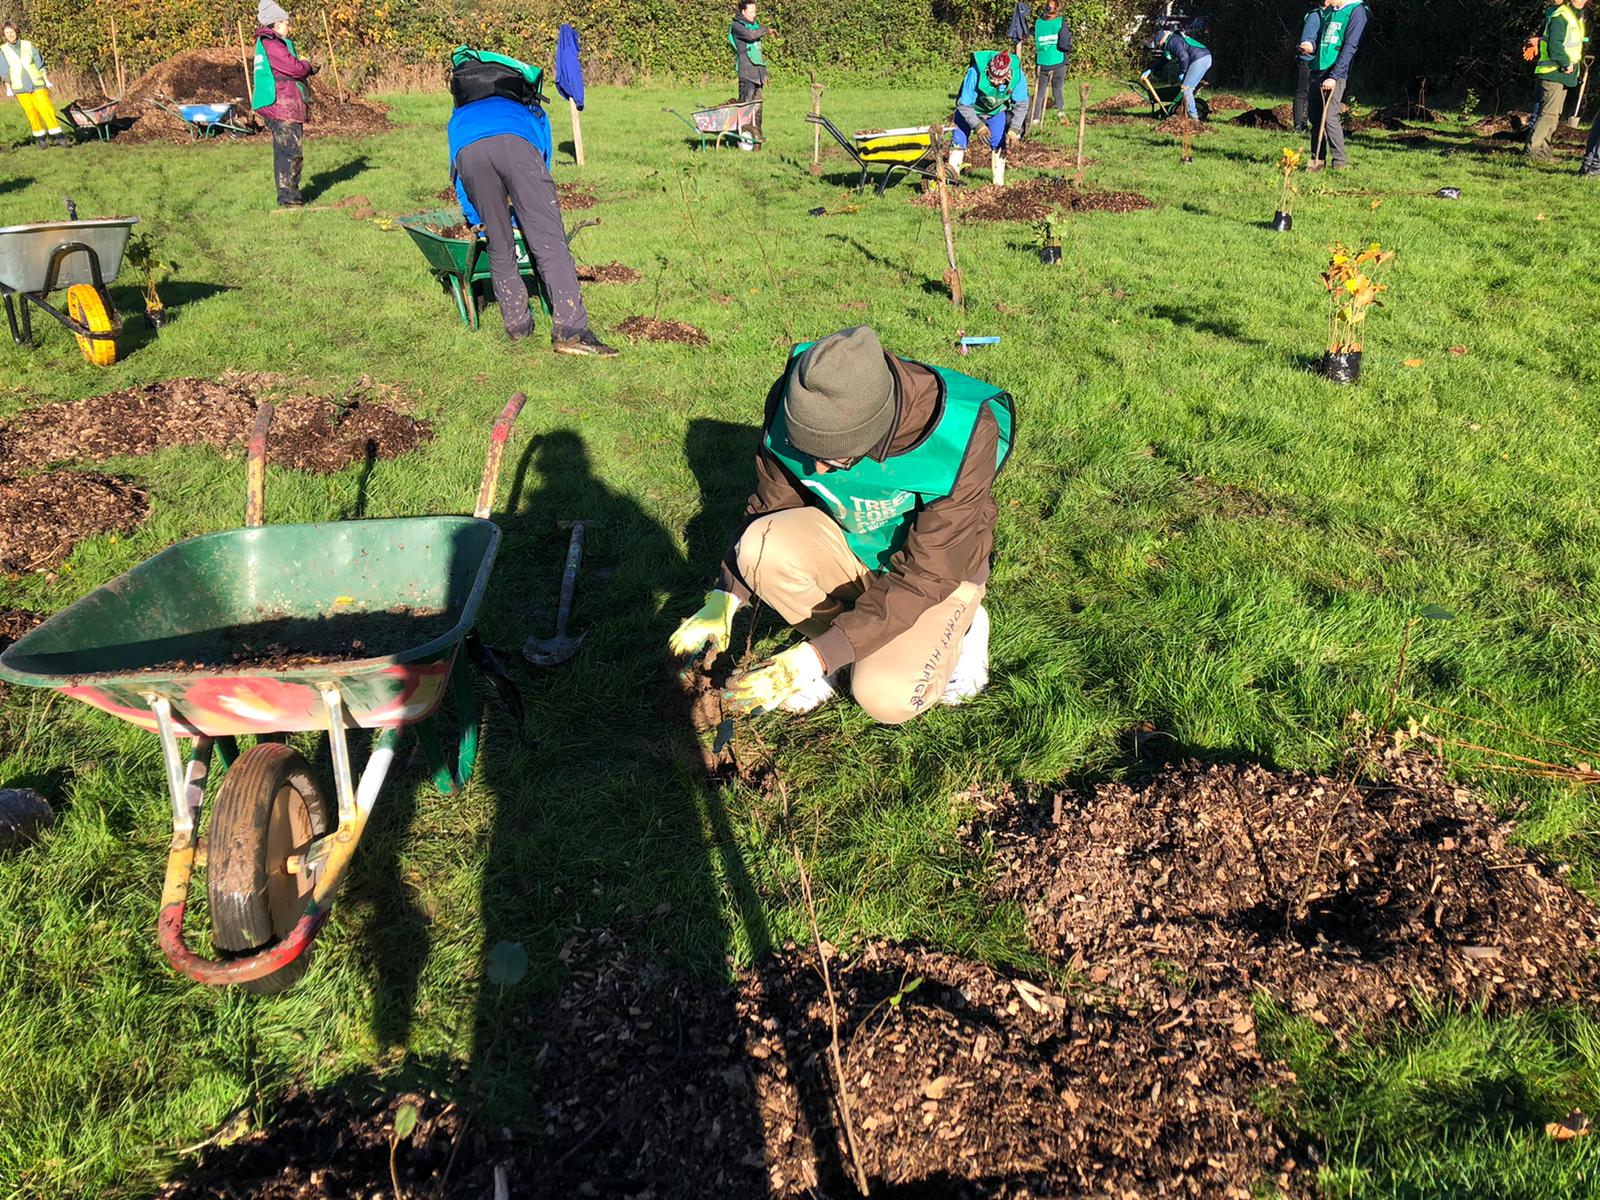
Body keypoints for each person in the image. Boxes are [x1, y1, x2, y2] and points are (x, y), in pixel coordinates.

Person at [669, 326, 1015, 725]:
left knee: (884, 695)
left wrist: (814, 658)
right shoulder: (799, 398)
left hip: (935, 579)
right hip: (853, 549)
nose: (816, 470)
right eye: (808, 453)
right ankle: (842, 647)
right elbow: (772, 504)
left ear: (875, 432)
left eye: (832, 462)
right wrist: (727, 594)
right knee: (758, 547)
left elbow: (926, 574)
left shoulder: (963, 434)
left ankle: (966, 628)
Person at [448, 46, 617, 356]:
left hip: (470, 156)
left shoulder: (459, 116)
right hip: (519, 148)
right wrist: (530, 214)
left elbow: (458, 176)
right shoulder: (529, 108)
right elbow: (543, 160)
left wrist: (478, 220)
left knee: (498, 243)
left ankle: (517, 329)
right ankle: (571, 332)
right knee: (549, 241)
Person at [251, 1, 316, 207]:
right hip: (281, 105)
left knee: (285, 152)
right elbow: (294, 68)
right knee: (290, 153)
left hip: (279, 104)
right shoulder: (272, 43)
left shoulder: (269, 42)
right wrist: (309, 66)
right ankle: (290, 200)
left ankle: (288, 198)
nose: (289, 27)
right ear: (277, 24)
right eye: (287, 23)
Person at [949, 51, 1028, 186]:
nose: (995, 82)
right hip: (971, 108)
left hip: (995, 110)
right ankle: (950, 179)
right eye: (992, 78)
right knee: (959, 139)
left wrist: (1014, 129)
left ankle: (998, 184)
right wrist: (978, 126)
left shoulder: (1017, 76)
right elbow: (963, 104)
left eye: (999, 79)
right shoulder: (975, 72)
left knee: (999, 142)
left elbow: (1022, 104)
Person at [1525, 0, 1590, 163]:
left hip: (1563, 75)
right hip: (1553, 72)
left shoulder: (1576, 16)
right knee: (1548, 114)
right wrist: (1565, 63)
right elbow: (1555, 45)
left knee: (1553, 116)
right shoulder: (1561, 15)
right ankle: (1531, 152)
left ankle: (1544, 153)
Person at [1307, 0, 1367, 170]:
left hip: (1335, 73)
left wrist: (1334, 76)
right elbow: (1321, 36)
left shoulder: (1357, 11)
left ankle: (1339, 162)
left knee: (1330, 116)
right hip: (1318, 68)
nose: (1325, 2)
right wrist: (1311, 45)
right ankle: (1317, 160)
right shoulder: (1329, 10)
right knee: (1316, 118)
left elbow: (1350, 47)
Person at [2, 22, 69, 148]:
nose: (10, 35)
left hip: (36, 82)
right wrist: (8, 87)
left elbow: (39, 62)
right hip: (20, 86)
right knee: (31, 112)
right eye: (7, 33)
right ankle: (40, 139)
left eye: (12, 32)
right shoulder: (3, 50)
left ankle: (59, 137)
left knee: (46, 108)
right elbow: (4, 70)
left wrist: (46, 80)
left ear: (17, 32)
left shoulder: (28, 45)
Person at [1143, 26, 1212, 121]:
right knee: (1188, 88)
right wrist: (1150, 70)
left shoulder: (1172, 41)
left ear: (1161, 40)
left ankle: (1194, 118)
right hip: (1205, 57)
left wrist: (1182, 72)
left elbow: (1184, 57)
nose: (1160, 47)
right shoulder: (1171, 41)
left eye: (1159, 44)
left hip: (1199, 59)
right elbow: (1164, 59)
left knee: (1186, 89)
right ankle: (1189, 111)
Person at [728, 0, 767, 148]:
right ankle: (743, 141)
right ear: (743, 12)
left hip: (756, 74)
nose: (754, 14)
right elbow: (751, 36)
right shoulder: (737, 26)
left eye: (755, 11)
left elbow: (757, 53)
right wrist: (767, 30)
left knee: (758, 111)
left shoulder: (754, 25)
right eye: (751, 12)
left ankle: (756, 140)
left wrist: (764, 73)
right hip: (746, 74)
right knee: (746, 110)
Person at [1031, 1, 1071, 126]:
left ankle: (1035, 118)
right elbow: (1065, 44)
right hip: (1058, 62)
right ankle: (1060, 113)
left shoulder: (1038, 23)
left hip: (1041, 63)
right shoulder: (1060, 22)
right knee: (1057, 89)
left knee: (1040, 92)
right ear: (1057, 9)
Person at [1294, 4, 1322, 132]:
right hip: (1308, 61)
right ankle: (1300, 125)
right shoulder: (1314, 17)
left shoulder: (1329, 16)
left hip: (1319, 62)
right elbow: (1306, 42)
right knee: (1303, 93)